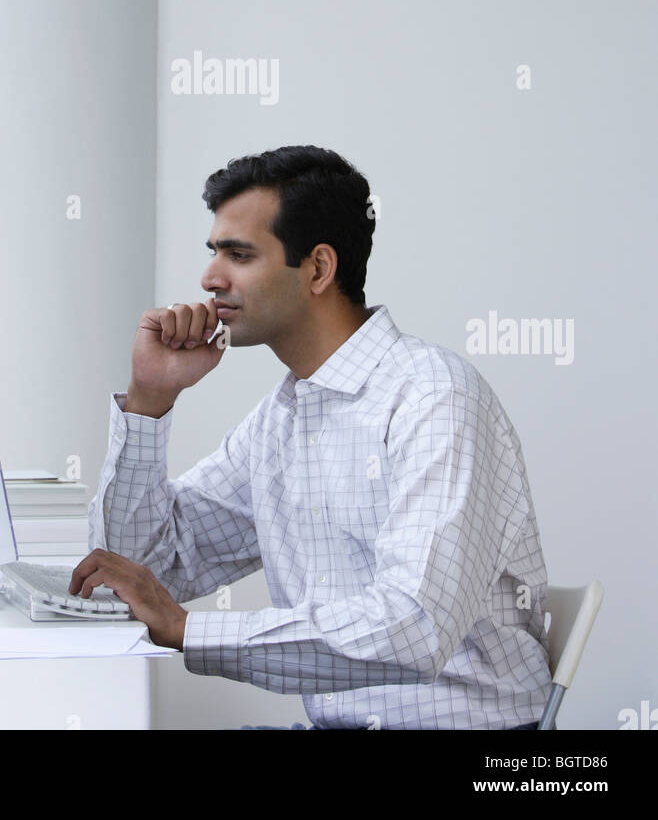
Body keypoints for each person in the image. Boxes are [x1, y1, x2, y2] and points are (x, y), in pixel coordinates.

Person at [70, 145, 553, 730]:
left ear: (319, 269)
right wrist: (150, 401)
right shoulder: (285, 416)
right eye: (214, 251)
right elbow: (141, 571)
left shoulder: (434, 397)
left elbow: (413, 627)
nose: (210, 278)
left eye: (239, 254)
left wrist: (190, 631)